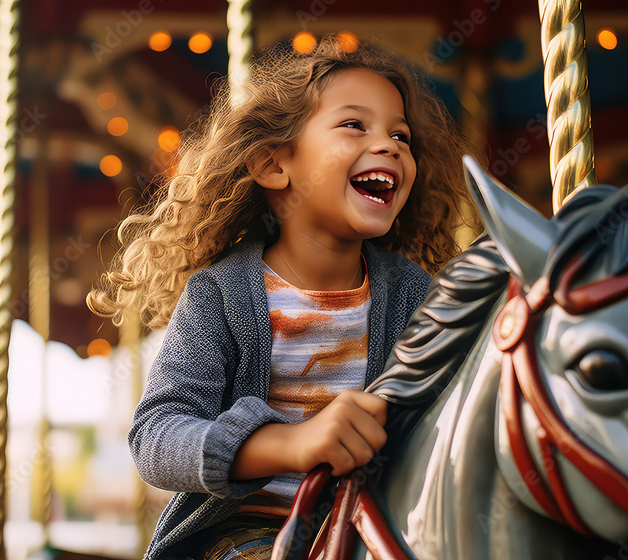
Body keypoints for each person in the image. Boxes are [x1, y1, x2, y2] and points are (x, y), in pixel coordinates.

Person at [88, 35, 478, 560]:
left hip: (377, 531)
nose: (389, 145)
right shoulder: (221, 296)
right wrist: (291, 444)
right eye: (354, 125)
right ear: (274, 165)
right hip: (246, 534)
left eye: (401, 136)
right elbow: (157, 437)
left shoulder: (413, 296)